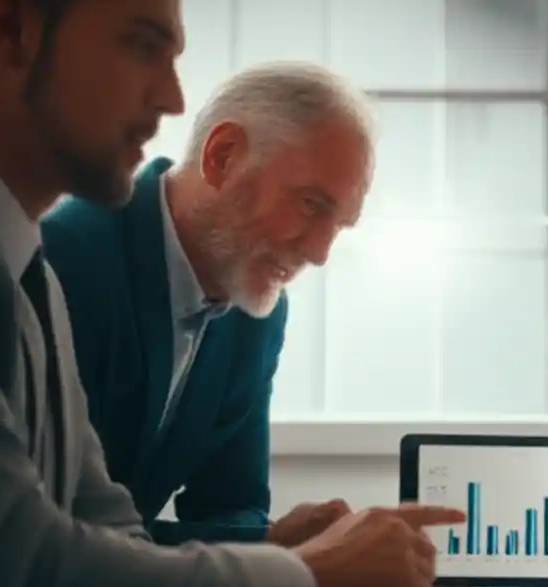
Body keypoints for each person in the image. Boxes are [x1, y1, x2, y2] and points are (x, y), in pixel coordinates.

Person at [0, 0, 461, 587]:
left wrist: (277, 551)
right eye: (142, 46)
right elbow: (26, 576)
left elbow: (117, 533)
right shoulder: (61, 259)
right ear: (12, 28)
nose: (172, 97)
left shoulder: (27, 275)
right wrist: (308, 578)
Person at [41, 63, 370, 547]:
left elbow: (232, 502)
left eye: (339, 224)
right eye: (310, 205)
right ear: (223, 156)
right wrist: (268, 552)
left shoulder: (255, 310)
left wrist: (274, 542)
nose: (320, 253)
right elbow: (55, 533)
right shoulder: (62, 261)